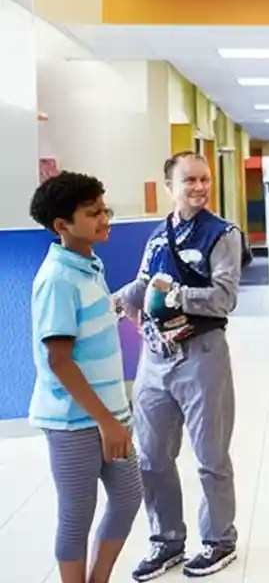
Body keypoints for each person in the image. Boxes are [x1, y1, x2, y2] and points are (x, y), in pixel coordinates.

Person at [115, 152, 245, 580]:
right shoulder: (157, 235)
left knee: (210, 455)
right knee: (151, 457)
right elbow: (143, 283)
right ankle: (167, 540)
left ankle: (218, 539)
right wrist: (115, 302)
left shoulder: (221, 234)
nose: (199, 187)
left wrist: (176, 296)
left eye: (204, 179)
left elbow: (225, 297)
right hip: (154, 360)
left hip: (201, 355)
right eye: (189, 180)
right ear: (169, 185)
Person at [27, 172, 144, 583]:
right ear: (62, 226)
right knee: (77, 515)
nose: (104, 219)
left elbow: (86, 329)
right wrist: (106, 423)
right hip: (75, 422)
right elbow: (59, 359)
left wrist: (121, 307)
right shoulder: (58, 279)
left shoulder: (89, 265)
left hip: (110, 412)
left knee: (128, 497)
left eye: (104, 209)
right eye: (93, 213)